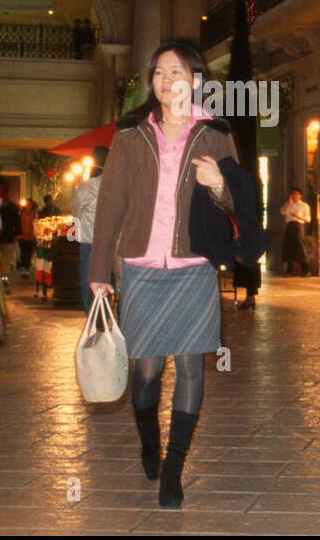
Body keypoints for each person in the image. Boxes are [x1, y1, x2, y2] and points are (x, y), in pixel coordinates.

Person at [89, 40, 239, 510]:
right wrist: (99, 270)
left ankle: (173, 469)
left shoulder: (215, 132)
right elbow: (111, 201)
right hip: (141, 267)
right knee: (147, 369)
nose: (165, 79)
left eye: (176, 71)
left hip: (194, 268)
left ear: (195, 78)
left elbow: (240, 206)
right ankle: (148, 439)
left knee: (192, 367)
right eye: (158, 72)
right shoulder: (132, 133)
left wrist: (220, 187)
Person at [70, 146, 107, 314]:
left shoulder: (86, 186)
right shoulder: (116, 185)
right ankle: (104, 317)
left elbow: (75, 210)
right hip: (110, 243)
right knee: (108, 282)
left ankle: (93, 318)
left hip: (90, 242)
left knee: (88, 282)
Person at [279, 188, 311, 276]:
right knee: (288, 247)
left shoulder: (304, 206)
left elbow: (308, 219)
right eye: (293, 194)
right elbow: (282, 212)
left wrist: (297, 216)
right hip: (289, 226)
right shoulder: (288, 204)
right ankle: (289, 271)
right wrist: (289, 203)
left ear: (300, 196)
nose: (294, 196)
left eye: (296, 194)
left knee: (300, 247)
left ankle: (306, 270)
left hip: (298, 226)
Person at [17, 198, 36, 276]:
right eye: (27, 204)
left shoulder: (35, 214)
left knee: (28, 253)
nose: (28, 206)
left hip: (31, 237)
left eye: (30, 204)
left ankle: (26, 268)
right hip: (21, 236)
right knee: (23, 252)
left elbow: (37, 225)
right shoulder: (21, 213)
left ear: (32, 205)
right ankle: (23, 268)